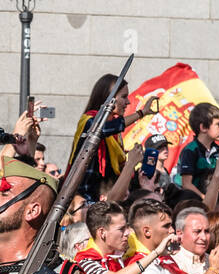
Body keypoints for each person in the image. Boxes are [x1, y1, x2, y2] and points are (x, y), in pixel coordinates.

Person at [67, 74, 161, 203]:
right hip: (84, 202)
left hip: (104, 201)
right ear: (109, 99)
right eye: (123, 97)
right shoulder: (88, 121)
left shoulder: (114, 134)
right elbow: (102, 129)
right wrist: (141, 113)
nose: (128, 102)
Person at [174, 103, 219, 200]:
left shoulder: (216, 149)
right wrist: (205, 199)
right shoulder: (190, 150)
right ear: (203, 128)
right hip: (191, 201)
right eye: (218, 124)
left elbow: (216, 178)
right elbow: (186, 184)